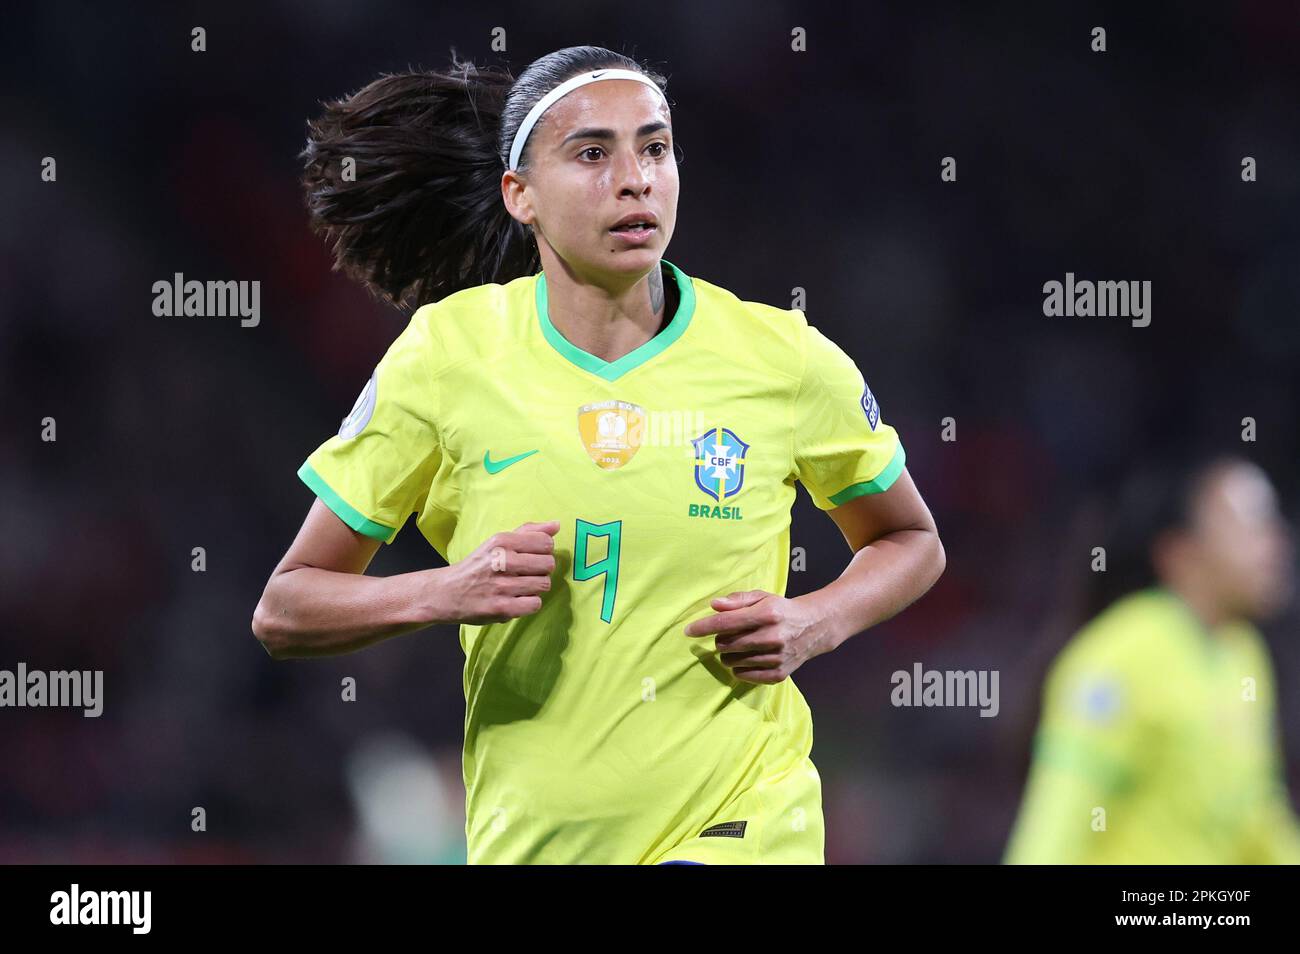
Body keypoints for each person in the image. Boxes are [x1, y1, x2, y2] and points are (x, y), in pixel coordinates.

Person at [251, 45, 945, 864]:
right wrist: (447, 590)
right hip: (536, 842)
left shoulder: (782, 358)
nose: (635, 178)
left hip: (742, 823)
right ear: (521, 195)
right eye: (592, 153)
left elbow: (910, 539)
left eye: (655, 147)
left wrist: (815, 621)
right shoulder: (447, 357)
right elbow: (287, 609)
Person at [1005, 453, 1300, 863]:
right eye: (1249, 525)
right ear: (1180, 553)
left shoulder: (1243, 656)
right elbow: (1058, 821)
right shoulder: (1118, 658)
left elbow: (1257, 817)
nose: (1275, 540)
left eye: (1272, 520)